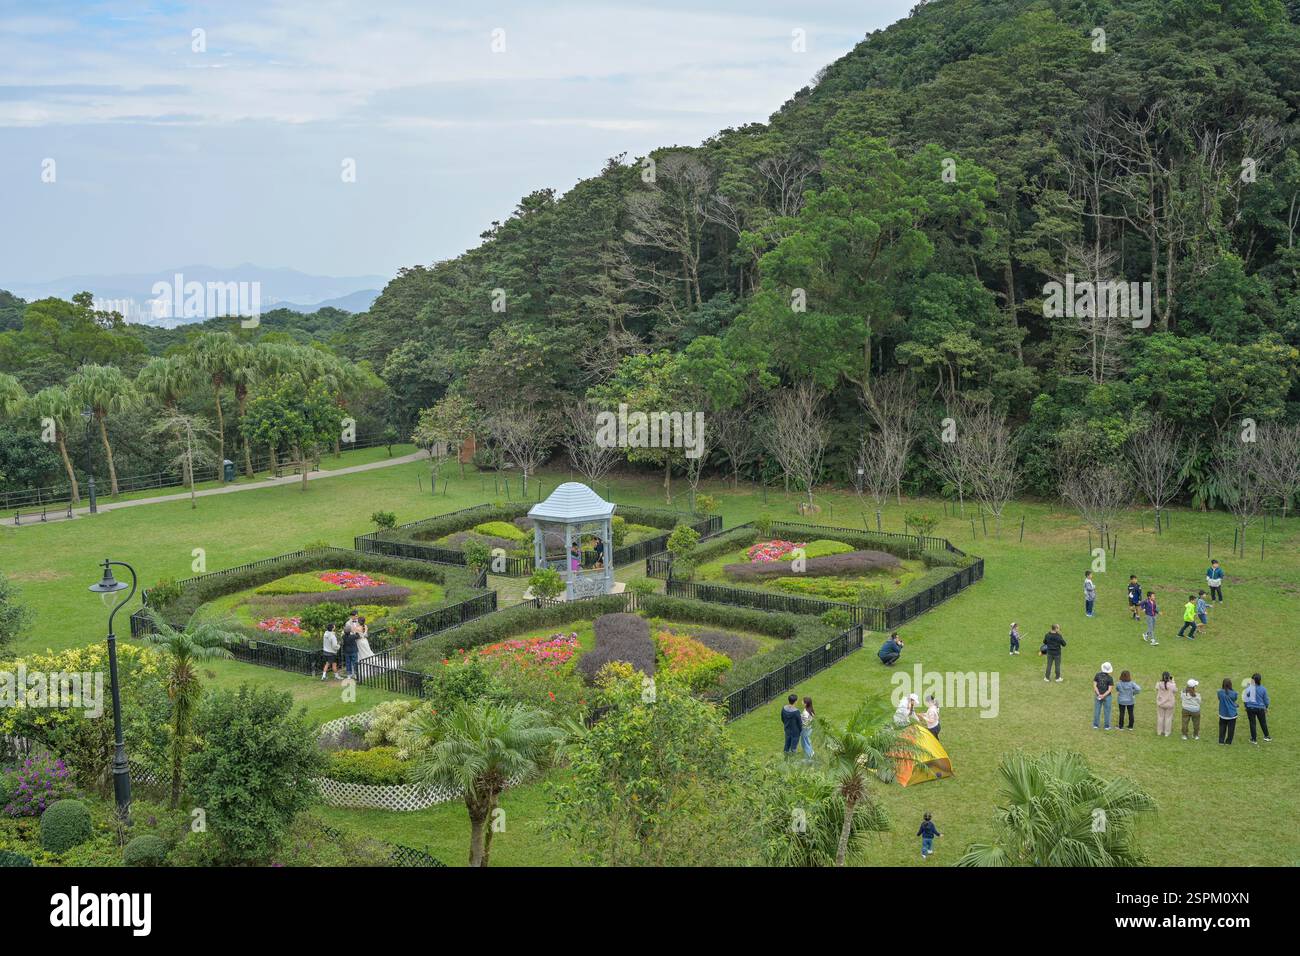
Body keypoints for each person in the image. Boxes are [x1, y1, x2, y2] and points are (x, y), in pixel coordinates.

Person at [1244, 673, 1271, 744]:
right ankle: (1267, 736)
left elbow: (1245, 698)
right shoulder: (1263, 689)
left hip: (1250, 708)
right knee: (1263, 722)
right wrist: (1266, 707)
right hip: (1260, 708)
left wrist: (1246, 706)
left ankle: (1254, 739)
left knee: (1252, 724)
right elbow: (1266, 700)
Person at [1093, 662, 1116, 730]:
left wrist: (1099, 694)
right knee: (1107, 711)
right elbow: (1109, 690)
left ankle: (1096, 725)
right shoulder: (1110, 678)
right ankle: (1107, 726)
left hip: (1098, 695)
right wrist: (1103, 695)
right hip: (1107, 696)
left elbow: (1094, 686)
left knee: (1097, 710)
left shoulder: (1097, 675)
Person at [1155, 671, 1177, 737]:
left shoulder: (1158, 684)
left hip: (1161, 703)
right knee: (1168, 718)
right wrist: (1173, 682)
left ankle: (1159, 731)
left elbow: (1156, 689)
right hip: (1169, 704)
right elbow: (1175, 690)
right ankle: (1167, 732)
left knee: (1160, 717)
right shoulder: (1172, 685)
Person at [1218, 678, 1238, 745]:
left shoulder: (1219, 692)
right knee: (1231, 729)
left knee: (1222, 728)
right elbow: (1234, 700)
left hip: (1223, 714)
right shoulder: (1234, 693)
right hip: (1232, 714)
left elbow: (1219, 699)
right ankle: (1228, 742)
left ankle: (1221, 741)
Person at [799, 696, 815, 760]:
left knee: (804, 742)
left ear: (805, 703)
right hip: (810, 728)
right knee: (807, 740)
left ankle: (808, 756)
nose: (801, 701)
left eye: (803, 701)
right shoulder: (810, 709)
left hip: (805, 729)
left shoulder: (805, 712)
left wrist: (800, 720)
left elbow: (804, 722)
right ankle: (811, 752)